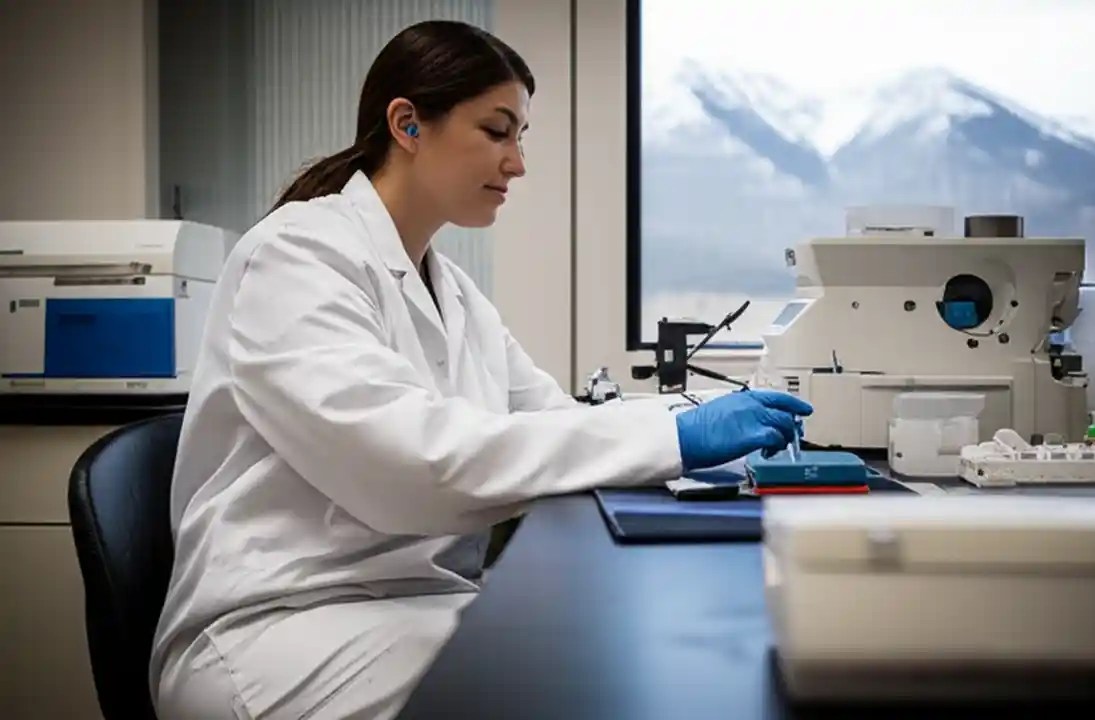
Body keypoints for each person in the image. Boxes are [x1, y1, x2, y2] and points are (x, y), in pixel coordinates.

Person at [150, 19, 811, 720]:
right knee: (596, 685)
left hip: (409, 606)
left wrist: (690, 428)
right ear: (407, 124)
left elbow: (556, 423)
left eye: (519, 136)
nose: (518, 162)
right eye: (497, 132)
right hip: (285, 627)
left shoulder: (452, 290)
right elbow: (414, 466)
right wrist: (681, 438)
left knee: (620, 658)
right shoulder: (294, 257)